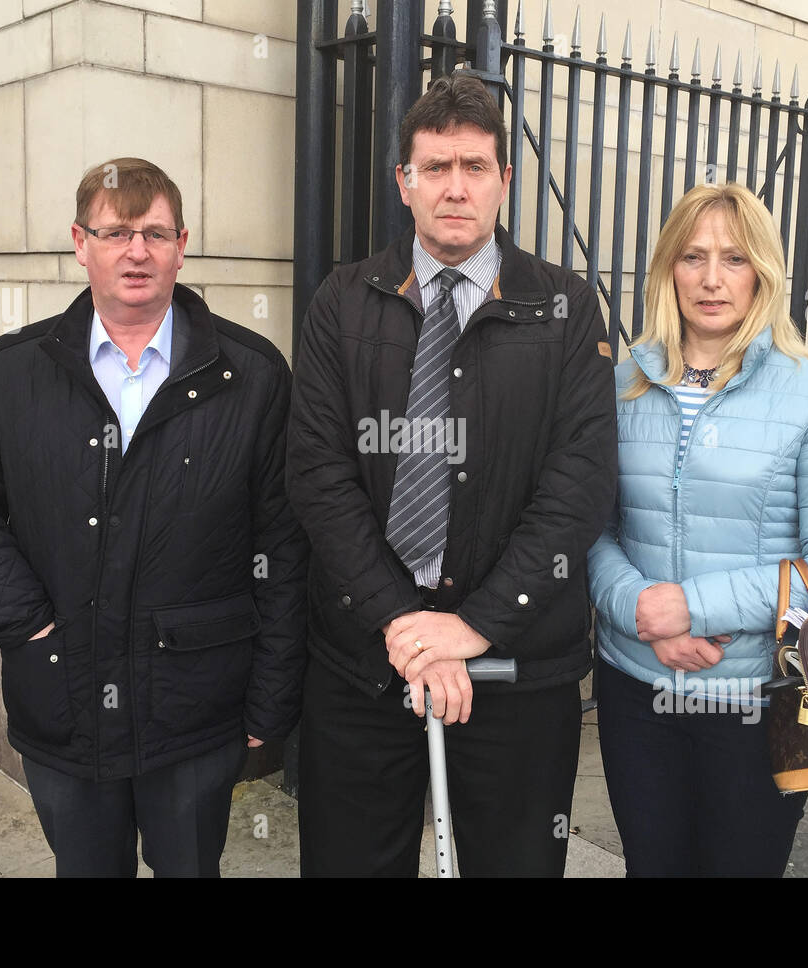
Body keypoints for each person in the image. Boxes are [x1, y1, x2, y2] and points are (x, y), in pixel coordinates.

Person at [0, 157, 307, 876]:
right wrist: (26, 624)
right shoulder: (17, 369)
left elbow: (283, 547)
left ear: (182, 245)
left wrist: (271, 703)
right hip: (63, 700)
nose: (137, 251)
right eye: (117, 232)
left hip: (194, 714)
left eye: (155, 233)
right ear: (80, 242)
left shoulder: (251, 377)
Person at [287, 74, 617, 876]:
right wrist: (404, 623)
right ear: (404, 183)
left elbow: (579, 482)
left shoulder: (565, 306)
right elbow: (317, 470)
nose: (456, 187)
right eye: (435, 168)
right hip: (367, 662)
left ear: (506, 178)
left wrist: (474, 626)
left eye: (475, 165)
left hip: (518, 669)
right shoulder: (345, 298)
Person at [587, 181, 808, 876]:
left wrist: (691, 607)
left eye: (735, 259)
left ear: (763, 275)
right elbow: (590, 528)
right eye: (693, 257)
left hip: (754, 699)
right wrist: (640, 609)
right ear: (668, 270)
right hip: (636, 693)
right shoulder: (624, 384)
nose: (712, 279)